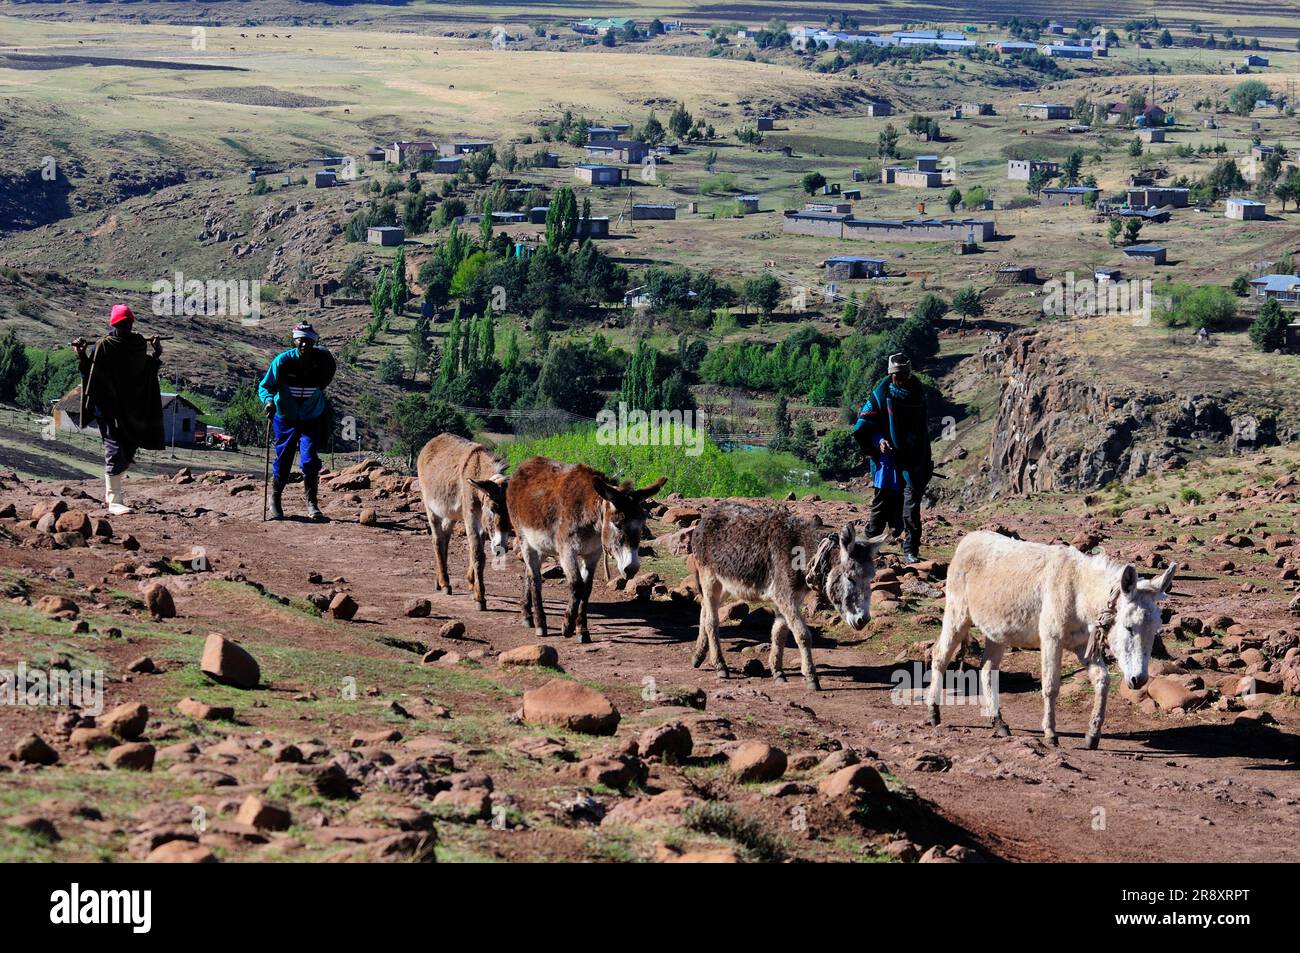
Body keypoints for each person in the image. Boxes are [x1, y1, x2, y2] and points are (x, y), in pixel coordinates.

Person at [73, 304, 164, 516]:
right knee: (114, 448)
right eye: (122, 324)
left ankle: (112, 493)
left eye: (127, 323)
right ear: (115, 325)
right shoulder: (104, 345)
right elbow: (94, 374)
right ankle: (115, 499)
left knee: (129, 448)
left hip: (131, 407)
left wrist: (156, 353)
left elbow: (146, 369)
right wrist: (83, 356)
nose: (125, 326)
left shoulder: (138, 345)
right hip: (108, 408)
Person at [851, 352, 932, 564]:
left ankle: (910, 549)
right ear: (891, 374)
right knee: (881, 504)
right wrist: (879, 441)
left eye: (904, 374)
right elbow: (866, 426)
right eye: (897, 375)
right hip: (886, 460)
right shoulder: (881, 394)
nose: (901, 378)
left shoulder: (918, 393)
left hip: (913, 459)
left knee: (911, 507)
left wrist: (918, 451)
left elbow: (922, 429)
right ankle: (869, 547)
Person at [258, 322, 336, 521]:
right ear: (294, 341)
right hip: (285, 418)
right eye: (301, 341)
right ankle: (275, 498)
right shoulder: (283, 362)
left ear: (313, 343)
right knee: (284, 460)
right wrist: (268, 402)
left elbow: (323, 384)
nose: (304, 345)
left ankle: (312, 503)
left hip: (311, 418)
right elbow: (265, 386)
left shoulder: (323, 362)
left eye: (308, 342)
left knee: (310, 459)